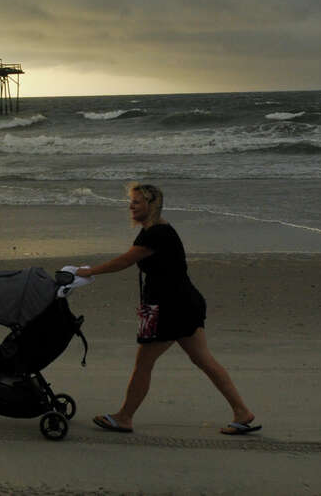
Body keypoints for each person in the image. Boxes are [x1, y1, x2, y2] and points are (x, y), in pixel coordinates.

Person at [76, 183, 260, 435]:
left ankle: (124, 417)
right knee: (203, 360)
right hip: (184, 303)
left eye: (136, 202)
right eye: (131, 201)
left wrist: (88, 272)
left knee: (144, 364)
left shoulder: (156, 234)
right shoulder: (158, 230)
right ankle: (242, 412)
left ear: (151, 205)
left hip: (170, 307)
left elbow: (125, 261)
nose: (130, 206)